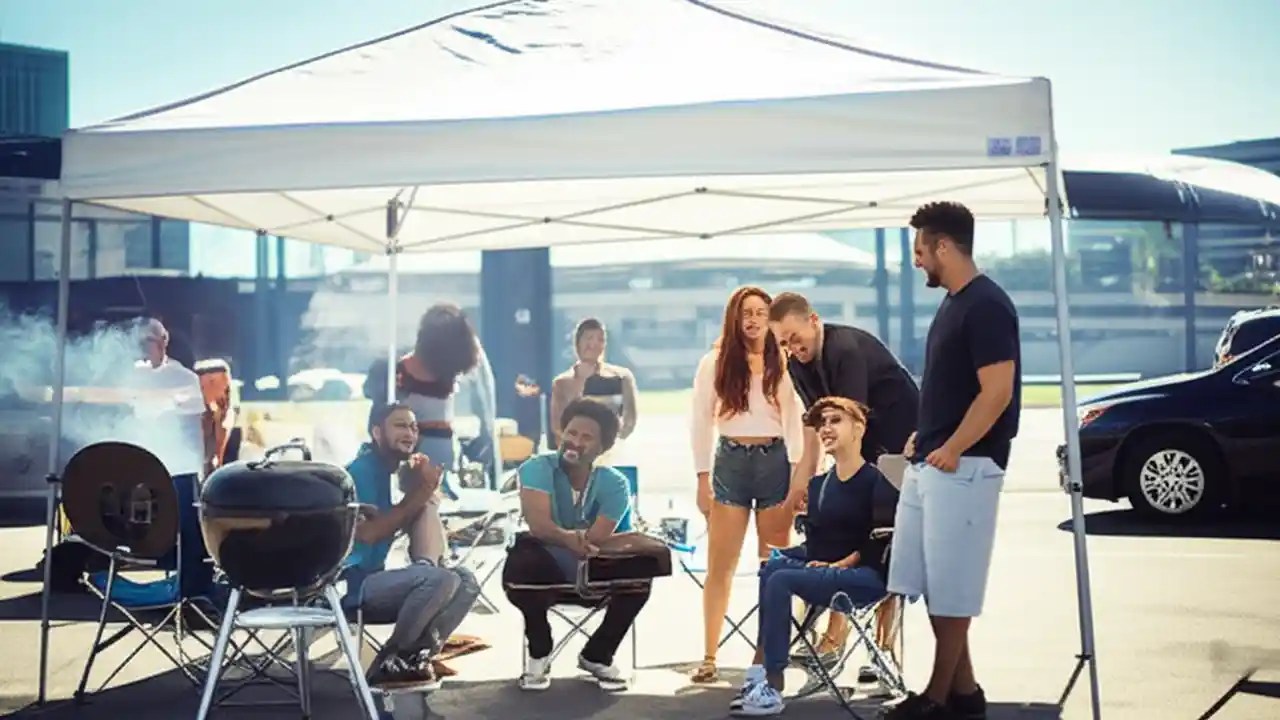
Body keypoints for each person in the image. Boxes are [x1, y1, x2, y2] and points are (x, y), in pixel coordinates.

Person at [884, 202, 1021, 720]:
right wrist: (930, 432)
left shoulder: (986, 305)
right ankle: (965, 694)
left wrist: (955, 446)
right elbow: (959, 387)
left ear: (943, 246)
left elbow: (997, 391)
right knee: (933, 583)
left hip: (965, 469)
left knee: (952, 590)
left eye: (920, 251)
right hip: (935, 464)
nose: (917, 261)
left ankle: (937, 698)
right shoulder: (955, 304)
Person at [767, 293, 917, 673]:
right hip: (862, 440)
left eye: (795, 337)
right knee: (846, 525)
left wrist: (839, 487)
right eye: (783, 342)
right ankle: (835, 640)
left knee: (884, 536)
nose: (792, 348)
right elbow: (822, 427)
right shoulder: (796, 365)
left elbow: (850, 422)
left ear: (814, 320)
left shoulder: (844, 349)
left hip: (900, 441)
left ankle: (880, 649)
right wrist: (804, 481)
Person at [733, 396, 899, 716]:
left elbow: (882, 542)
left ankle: (773, 682)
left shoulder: (877, 482)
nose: (826, 428)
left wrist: (841, 564)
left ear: (859, 428)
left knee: (781, 580)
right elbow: (818, 544)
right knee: (772, 567)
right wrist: (787, 554)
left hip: (865, 576)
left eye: (836, 420)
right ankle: (759, 671)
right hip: (827, 571)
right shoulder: (821, 484)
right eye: (822, 423)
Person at [688, 286, 805, 684]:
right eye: (745, 313)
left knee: (772, 567)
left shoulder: (784, 361)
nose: (753, 320)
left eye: (760, 312)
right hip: (730, 461)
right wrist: (702, 477)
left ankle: (765, 654)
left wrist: (797, 478)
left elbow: (795, 421)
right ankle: (708, 655)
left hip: (774, 461)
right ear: (734, 320)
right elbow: (700, 421)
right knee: (721, 564)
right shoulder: (715, 362)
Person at [504, 398, 647, 692]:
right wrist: (568, 539)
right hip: (548, 568)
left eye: (586, 437)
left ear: (602, 447)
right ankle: (539, 649)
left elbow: (596, 540)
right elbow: (539, 526)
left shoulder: (615, 483)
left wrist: (575, 542)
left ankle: (598, 654)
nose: (575, 442)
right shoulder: (536, 467)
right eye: (571, 433)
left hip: (597, 567)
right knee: (523, 556)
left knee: (643, 570)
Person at [342, 403, 483, 690]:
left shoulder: (389, 470)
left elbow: (405, 519)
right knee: (440, 580)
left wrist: (422, 488)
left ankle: (416, 658)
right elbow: (369, 533)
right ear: (376, 432)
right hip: (352, 584)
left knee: (466, 580)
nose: (410, 432)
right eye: (400, 425)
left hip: (375, 581)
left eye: (414, 427)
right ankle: (391, 661)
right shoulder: (362, 470)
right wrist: (422, 491)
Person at [363, 303, 481, 557]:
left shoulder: (406, 372)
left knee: (422, 506)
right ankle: (431, 563)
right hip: (426, 451)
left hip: (419, 451)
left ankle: (429, 564)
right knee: (424, 506)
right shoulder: (443, 372)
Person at [549, 318, 638, 461]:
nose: (594, 344)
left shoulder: (622, 377)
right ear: (577, 342)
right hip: (575, 456)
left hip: (613, 454)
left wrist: (608, 445)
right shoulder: (562, 383)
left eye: (600, 339)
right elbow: (557, 426)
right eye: (589, 338)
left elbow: (630, 420)